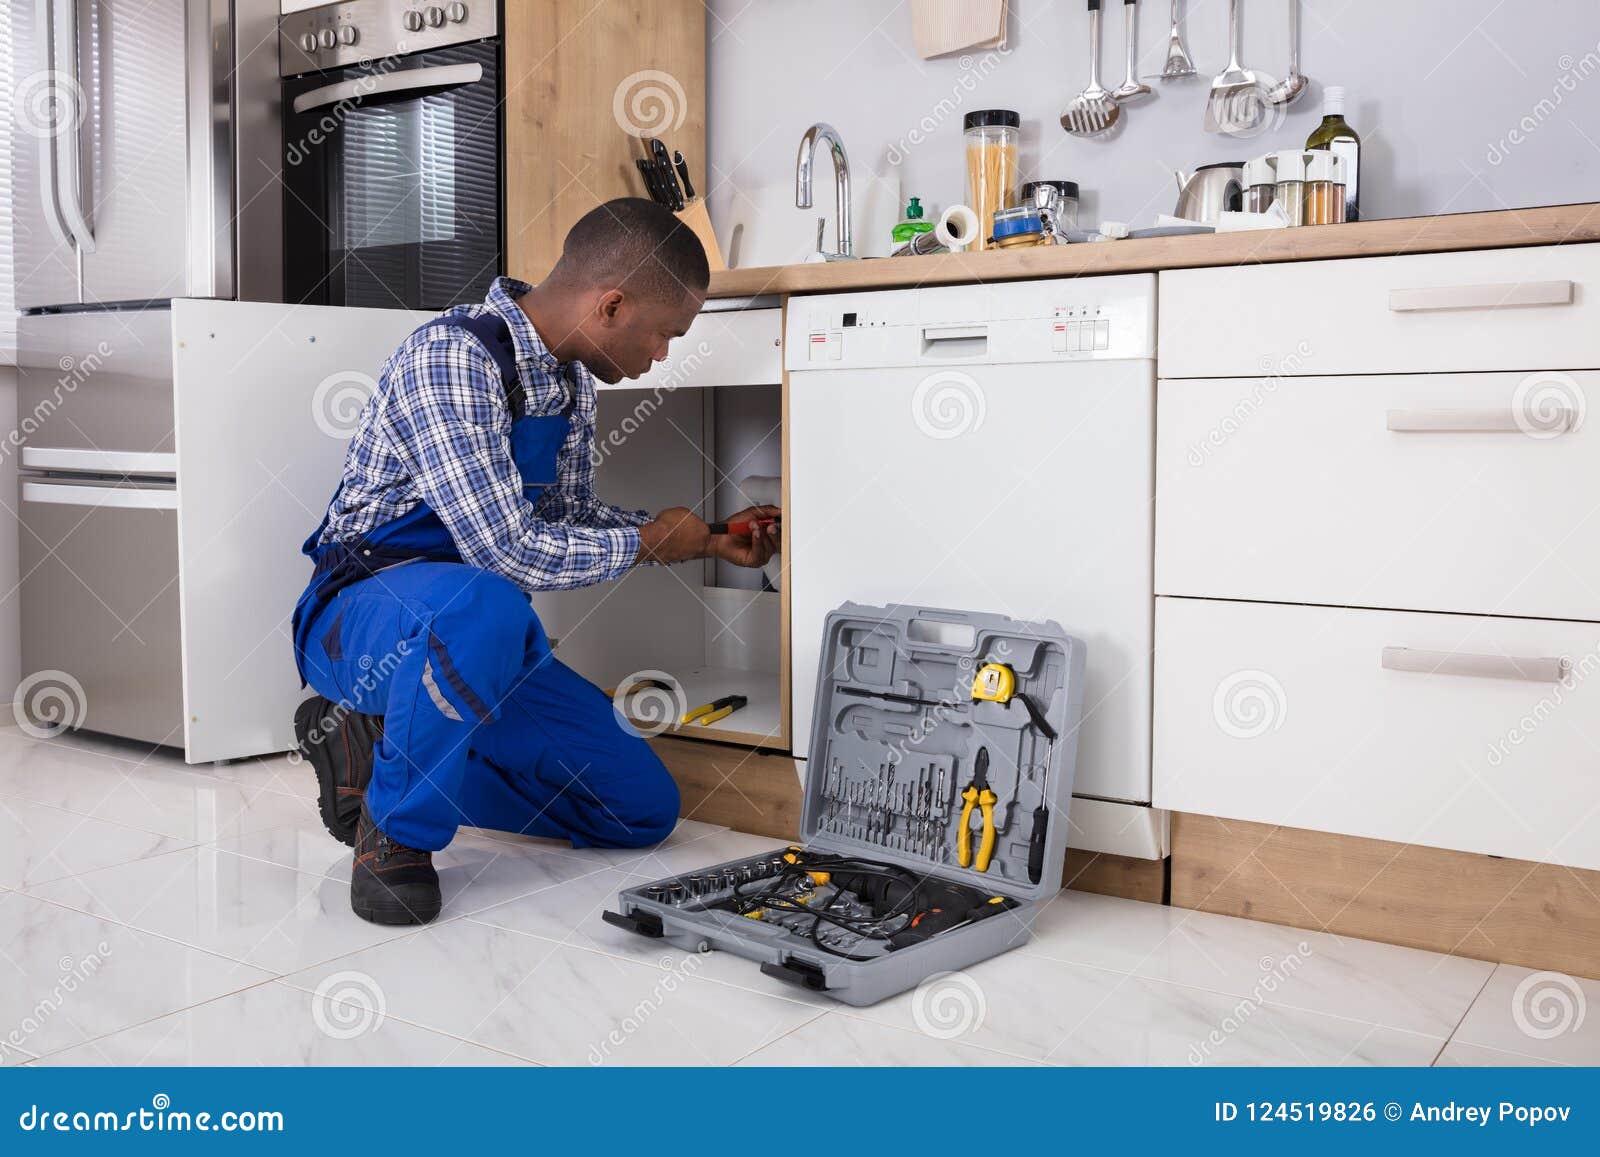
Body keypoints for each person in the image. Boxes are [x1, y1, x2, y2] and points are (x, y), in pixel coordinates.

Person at [290, 198, 779, 926]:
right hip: (362, 617)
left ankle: (377, 752)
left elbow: (562, 521)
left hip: (470, 642)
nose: (663, 354)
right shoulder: (452, 357)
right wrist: (648, 543)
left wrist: (703, 537)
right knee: (490, 602)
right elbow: (505, 546)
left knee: (639, 807)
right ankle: (394, 836)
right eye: (664, 334)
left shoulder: (567, 379)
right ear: (612, 304)